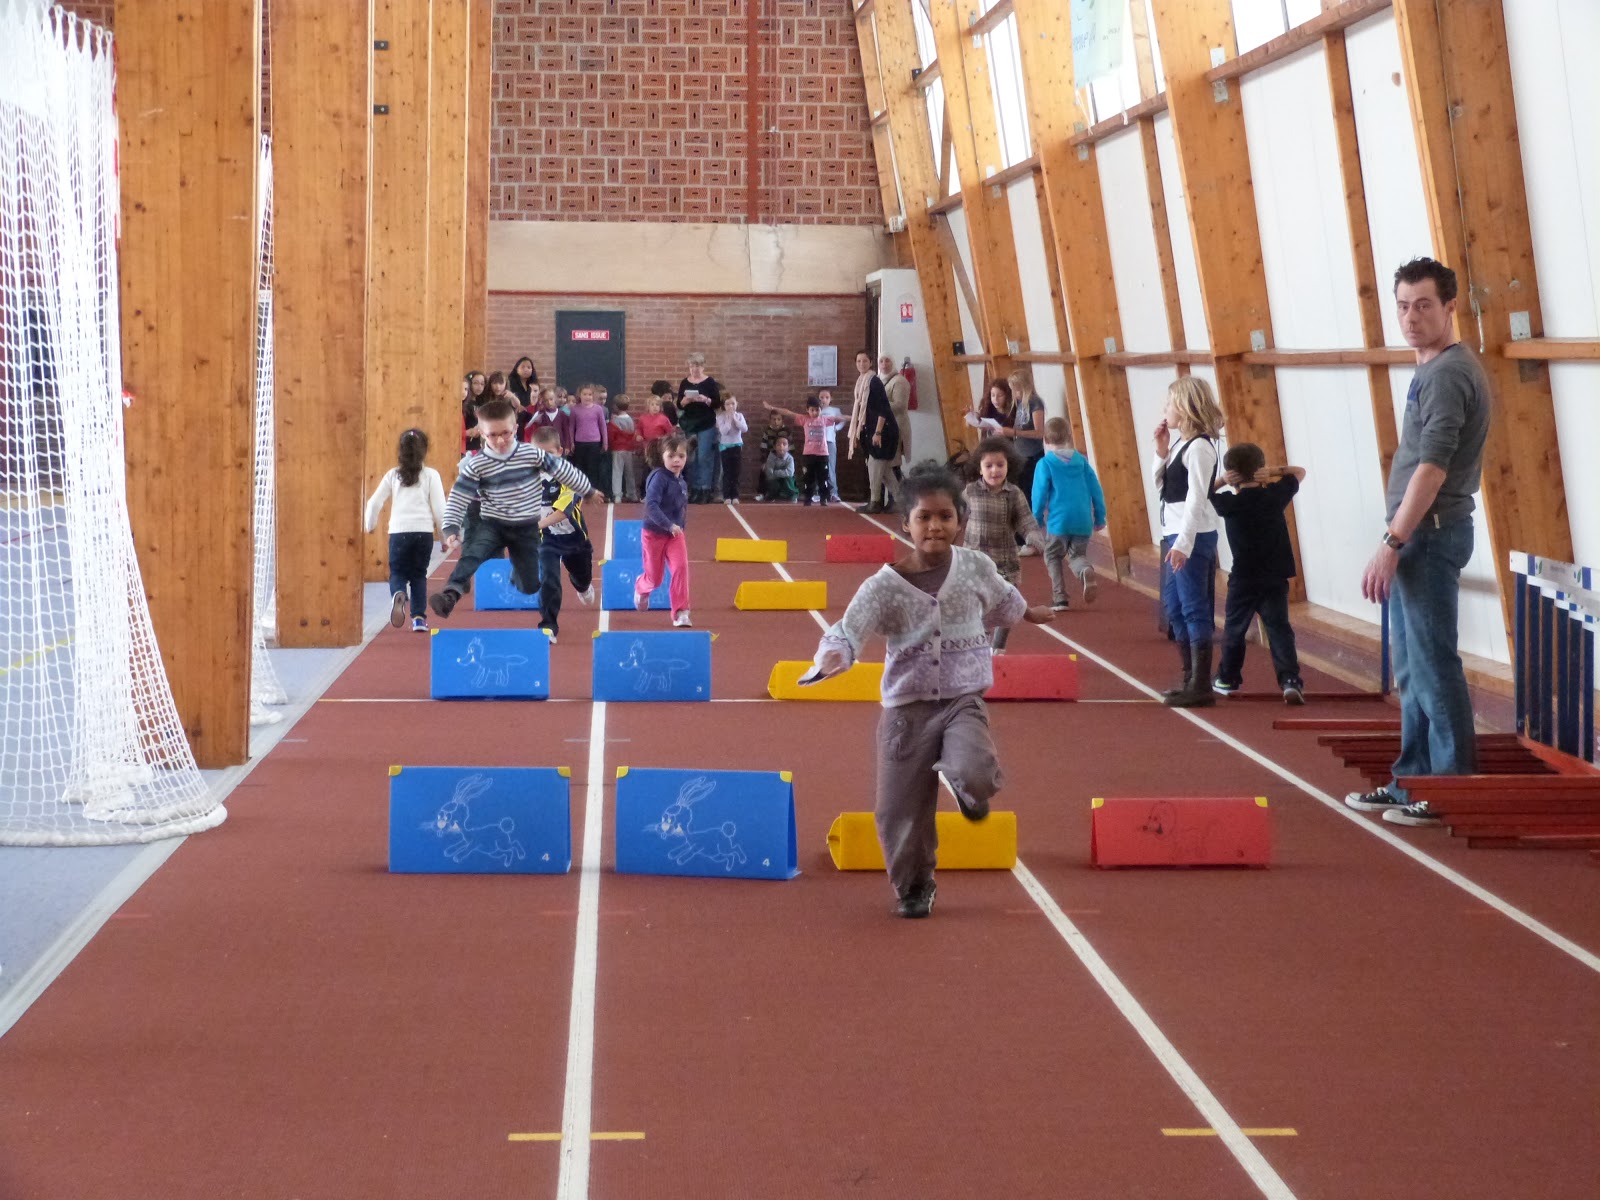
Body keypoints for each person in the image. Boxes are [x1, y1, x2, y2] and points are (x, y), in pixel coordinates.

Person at [806, 463, 1056, 918]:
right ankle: (915, 887)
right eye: (924, 517)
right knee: (897, 811)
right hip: (906, 708)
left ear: (960, 521)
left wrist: (1030, 614)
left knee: (975, 767)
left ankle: (970, 791)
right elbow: (848, 629)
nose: (935, 526)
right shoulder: (883, 587)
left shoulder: (975, 566)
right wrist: (832, 656)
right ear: (906, 523)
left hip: (963, 697)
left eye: (945, 516)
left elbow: (1002, 598)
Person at [1345, 257, 1492, 828]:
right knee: (1410, 667)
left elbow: (1432, 467)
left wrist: (1392, 540)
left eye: (1424, 305)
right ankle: (1413, 777)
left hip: (1428, 538)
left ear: (1450, 307)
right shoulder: (1430, 368)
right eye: (1403, 305)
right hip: (1417, 540)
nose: (1410, 317)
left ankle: (1453, 788)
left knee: (1433, 664)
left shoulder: (1451, 374)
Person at [428, 398, 593, 619]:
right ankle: (450, 594)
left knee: (530, 585)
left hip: (525, 526)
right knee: (472, 553)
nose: (500, 440)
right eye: (492, 435)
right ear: (482, 434)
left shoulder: (531, 454)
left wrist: (588, 490)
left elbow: (564, 470)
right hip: (493, 523)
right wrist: (449, 528)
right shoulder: (476, 464)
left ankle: (519, 572)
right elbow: (459, 497)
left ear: (515, 429)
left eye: (505, 433)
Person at [1207, 443, 1306, 703]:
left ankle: (1227, 678)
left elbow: (1203, 492)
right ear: (1260, 470)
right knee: (1279, 628)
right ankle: (1289, 680)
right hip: (1275, 575)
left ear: (1232, 476)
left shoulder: (1229, 503)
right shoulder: (1274, 495)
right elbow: (1299, 473)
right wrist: (1273, 471)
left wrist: (1221, 480)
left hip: (1244, 577)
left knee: (1234, 629)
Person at [1154, 376, 1225, 709]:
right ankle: (1188, 676)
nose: (1165, 409)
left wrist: (1184, 543)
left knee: (1194, 606)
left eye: (1169, 403)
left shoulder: (1200, 447)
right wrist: (1161, 452)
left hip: (1192, 536)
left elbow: (1198, 499)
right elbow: (1164, 486)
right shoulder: (1181, 445)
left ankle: (1200, 684)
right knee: (1174, 606)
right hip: (1173, 533)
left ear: (1184, 407)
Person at [962, 438, 1046, 652]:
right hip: (975, 561)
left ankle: (998, 647)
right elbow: (955, 519)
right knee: (981, 607)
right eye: (988, 466)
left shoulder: (1014, 494)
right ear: (979, 469)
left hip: (1005, 560)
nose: (995, 470)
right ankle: (980, 641)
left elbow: (1026, 522)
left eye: (1000, 465)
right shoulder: (970, 492)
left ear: (1009, 466)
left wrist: (1036, 539)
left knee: (1007, 604)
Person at [364, 427, 446, 632]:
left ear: (400, 451)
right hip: (423, 533)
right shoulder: (431, 475)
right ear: (424, 451)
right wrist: (445, 537)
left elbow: (374, 503)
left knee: (398, 572)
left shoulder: (393, 475)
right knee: (419, 575)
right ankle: (418, 618)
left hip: (399, 532)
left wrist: (370, 525)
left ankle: (398, 593)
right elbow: (440, 510)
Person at [1030, 416, 1107, 611]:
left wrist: (1036, 518)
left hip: (1059, 521)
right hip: (1083, 520)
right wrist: (1100, 517)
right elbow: (1096, 489)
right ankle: (1085, 570)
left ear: (1045, 441)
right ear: (1069, 437)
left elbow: (1038, 494)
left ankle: (1060, 598)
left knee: (1053, 555)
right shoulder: (1081, 461)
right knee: (1077, 555)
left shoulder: (1045, 464)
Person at [530, 427, 596, 645]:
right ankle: (548, 625)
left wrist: (537, 524)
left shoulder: (569, 476)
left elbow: (562, 511)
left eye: (548, 454)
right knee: (548, 577)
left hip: (574, 539)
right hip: (547, 540)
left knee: (582, 577)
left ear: (559, 451)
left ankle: (583, 586)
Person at [637, 431, 694, 628]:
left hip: (675, 535)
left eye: (681, 456)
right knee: (655, 578)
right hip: (654, 533)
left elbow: (680, 507)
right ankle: (641, 586)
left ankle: (681, 612)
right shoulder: (659, 478)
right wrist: (669, 525)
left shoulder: (681, 480)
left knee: (681, 568)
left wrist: (679, 527)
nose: (677, 461)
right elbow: (651, 506)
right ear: (662, 457)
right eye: (671, 456)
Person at [762, 395, 840, 505]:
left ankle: (824, 498)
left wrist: (856, 417)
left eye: (817, 410)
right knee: (809, 479)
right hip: (808, 454)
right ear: (807, 410)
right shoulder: (804, 419)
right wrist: (772, 408)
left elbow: (841, 418)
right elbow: (788, 413)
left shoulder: (824, 419)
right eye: (812, 410)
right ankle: (808, 498)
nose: (815, 412)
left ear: (821, 409)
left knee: (823, 479)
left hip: (823, 454)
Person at [848, 350, 899, 513]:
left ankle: (875, 501)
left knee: (875, 465)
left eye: (865, 361)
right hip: (870, 429)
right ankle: (902, 501)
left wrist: (878, 433)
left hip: (883, 431)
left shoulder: (874, 382)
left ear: (871, 363)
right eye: (858, 361)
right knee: (885, 471)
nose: (861, 364)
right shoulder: (861, 381)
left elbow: (883, 409)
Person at [677, 353, 722, 503]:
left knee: (704, 456)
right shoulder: (685, 382)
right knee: (692, 458)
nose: (694, 369)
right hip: (690, 423)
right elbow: (679, 404)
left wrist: (706, 399)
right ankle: (694, 488)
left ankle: (705, 488)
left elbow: (717, 403)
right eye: (691, 366)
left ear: (702, 366)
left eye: (696, 366)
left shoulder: (709, 382)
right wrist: (684, 401)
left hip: (706, 423)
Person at [568, 383, 611, 500]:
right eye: (585, 394)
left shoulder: (598, 409)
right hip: (580, 442)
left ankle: (593, 492)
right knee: (581, 468)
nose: (587, 397)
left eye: (590, 394)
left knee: (593, 468)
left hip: (594, 442)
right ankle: (581, 492)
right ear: (580, 395)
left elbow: (603, 426)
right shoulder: (575, 409)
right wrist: (571, 442)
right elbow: (571, 427)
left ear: (593, 396)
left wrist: (605, 442)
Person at [879, 354, 912, 481]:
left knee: (893, 464)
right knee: (880, 467)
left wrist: (877, 404)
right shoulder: (878, 380)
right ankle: (879, 500)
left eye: (887, 360)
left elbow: (900, 405)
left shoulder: (900, 381)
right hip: (882, 429)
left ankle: (896, 500)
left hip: (895, 428)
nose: (884, 364)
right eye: (881, 361)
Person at [715, 394, 749, 504]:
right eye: (728, 404)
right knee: (727, 472)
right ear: (724, 406)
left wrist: (735, 418)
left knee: (736, 472)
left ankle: (735, 495)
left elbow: (744, 429)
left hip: (737, 446)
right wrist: (729, 420)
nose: (731, 406)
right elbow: (724, 431)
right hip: (725, 447)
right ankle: (727, 496)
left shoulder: (739, 416)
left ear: (736, 404)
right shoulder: (720, 417)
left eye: (733, 403)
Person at [608, 396, 642, 503]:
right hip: (629, 449)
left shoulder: (614, 421)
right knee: (629, 472)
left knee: (617, 471)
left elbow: (611, 436)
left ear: (616, 407)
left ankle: (617, 494)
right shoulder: (631, 420)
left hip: (618, 449)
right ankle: (632, 494)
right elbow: (633, 434)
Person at [817, 388, 845, 501]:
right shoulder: (816, 410)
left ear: (831, 398)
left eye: (827, 397)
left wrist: (836, 428)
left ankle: (834, 492)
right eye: (822, 397)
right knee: (817, 467)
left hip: (830, 441)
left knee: (830, 467)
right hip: (817, 442)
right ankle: (818, 493)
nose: (824, 399)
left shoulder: (835, 410)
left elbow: (843, 420)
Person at [761, 434, 799, 503]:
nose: (781, 447)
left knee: (789, 479)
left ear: (788, 447)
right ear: (774, 447)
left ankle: (792, 495)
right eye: (778, 444)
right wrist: (780, 473)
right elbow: (769, 473)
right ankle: (771, 495)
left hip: (786, 479)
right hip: (774, 479)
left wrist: (775, 472)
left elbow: (790, 472)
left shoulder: (790, 458)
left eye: (784, 444)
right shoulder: (771, 457)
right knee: (772, 482)